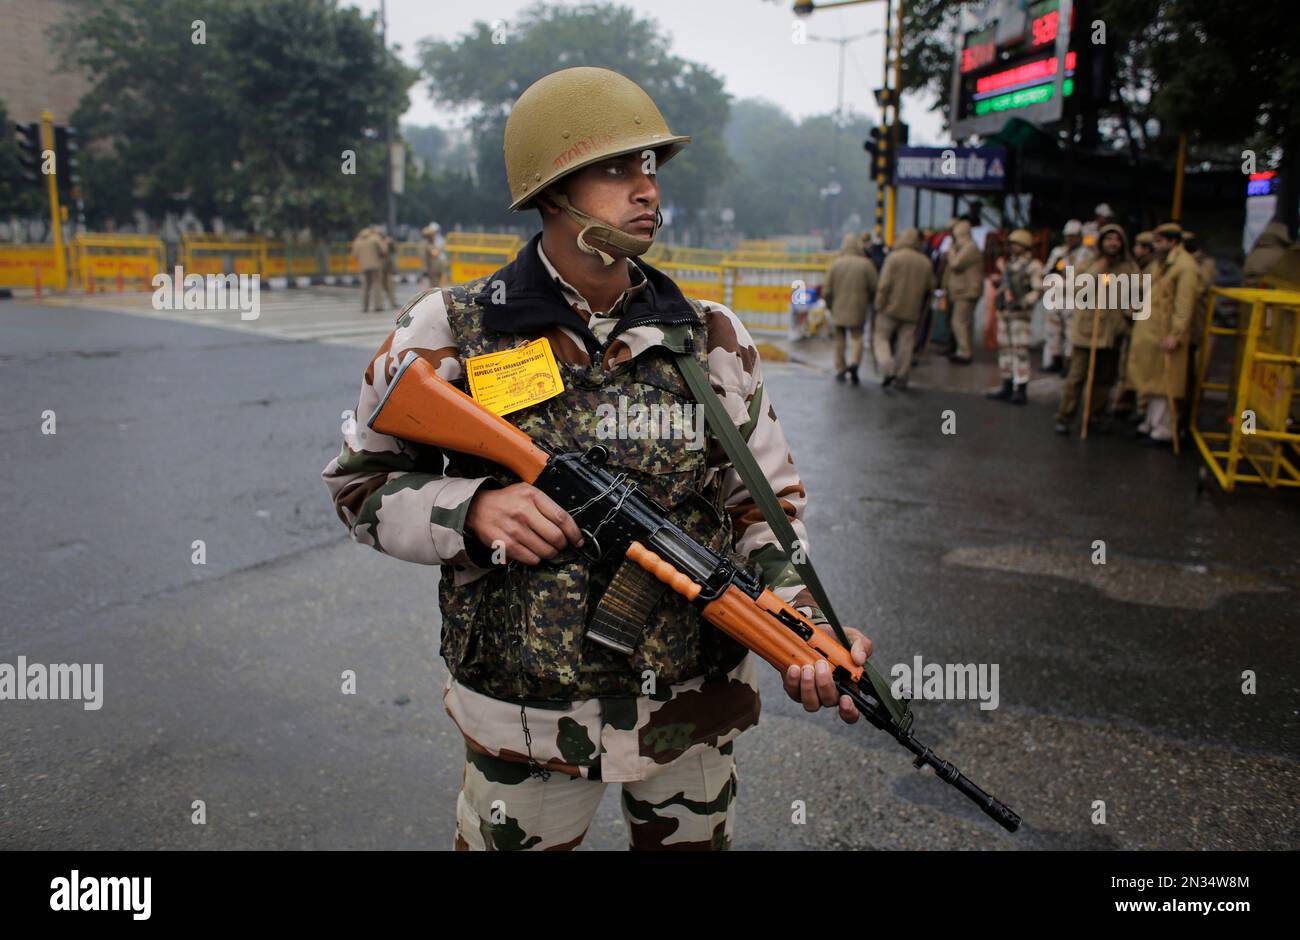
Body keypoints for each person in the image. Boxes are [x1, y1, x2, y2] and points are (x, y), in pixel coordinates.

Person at [321, 66, 872, 852]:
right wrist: (471, 511)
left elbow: (766, 512)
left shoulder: (709, 335)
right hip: (528, 721)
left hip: (691, 708)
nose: (646, 188)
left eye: (650, 166)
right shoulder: (451, 329)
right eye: (618, 167)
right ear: (552, 190)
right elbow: (358, 484)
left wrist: (806, 626)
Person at [1053, 224, 1139, 435]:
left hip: (1112, 332)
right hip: (1087, 330)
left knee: (1104, 379)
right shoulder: (1088, 263)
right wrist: (1097, 269)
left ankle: (1096, 415)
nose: (1112, 243)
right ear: (1101, 242)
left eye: (1116, 239)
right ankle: (1065, 415)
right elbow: (1076, 289)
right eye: (1108, 239)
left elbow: (1136, 297)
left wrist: (1126, 317)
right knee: (1077, 376)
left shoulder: (1129, 268)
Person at [1126, 222, 1199, 447]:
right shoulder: (1159, 264)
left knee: (1165, 384)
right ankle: (1150, 422)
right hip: (1151, 330)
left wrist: (1176, 334)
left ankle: (1163, 429)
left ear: (1172, 242)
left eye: (1159, 241)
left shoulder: (1185, 266)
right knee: (1151, 381)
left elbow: (1184, 304)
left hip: (1166, 332)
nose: (1154, 246)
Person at [873, 227, 935, 390]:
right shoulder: (925, 262)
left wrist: (879, 304)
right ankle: (901, 376)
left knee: (881, 338)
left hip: (889, 308)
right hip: (912, 310)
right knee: (906, 343)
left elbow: (884, 285)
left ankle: (887, 368)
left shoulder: (893, 258)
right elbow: (931, 286)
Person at [987, 228, 1043, 405]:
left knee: (1019, 351)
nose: (1012, 247)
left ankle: (1021, 387)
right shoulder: (1009, 264)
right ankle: (1007, 383)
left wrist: (1023, 302)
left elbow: (1038, 289)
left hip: (1020, 314)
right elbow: (1005, 286)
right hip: (1005, 313)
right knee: (1005, 349)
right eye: (1011, 244)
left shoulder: (1033, 266)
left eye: (1016, 244)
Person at [823, 232, 878, 384]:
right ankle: (854, 362)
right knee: (857, 337)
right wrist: (871, 302)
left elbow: (827, 290)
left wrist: (829, 305)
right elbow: (874, 287)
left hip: (838, 308)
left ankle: (840, 368)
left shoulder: (836, 264)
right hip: (858, 308)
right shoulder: (866, 264)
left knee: (839, 339)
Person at [1041, 220, 1094, 373]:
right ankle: (1055, 360)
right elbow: (1048, 271)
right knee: (1053, 329)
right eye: (1068, 236)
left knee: (1071, 331)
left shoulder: (1086, 254)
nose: (1070, 239)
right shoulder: (1059, 252)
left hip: (1074, 296)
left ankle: (1069, 363)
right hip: (1056, 295)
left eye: (1073, 236)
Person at [939, 218, 982, 365]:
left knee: (959, 322)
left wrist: (950, 250)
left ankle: (964, 352)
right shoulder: (966, 247)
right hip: (961, 290)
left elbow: (956, 264)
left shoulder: (970, 248)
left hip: (966, 291)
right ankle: (960, 348)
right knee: (961, 322)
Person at [351, 225, 385, 313]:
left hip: (364, 266)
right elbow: (383, 250)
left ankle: (365, 306)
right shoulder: (375, 238)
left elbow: (354, 255)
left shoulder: (358, 241)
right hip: (375, 265)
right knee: (377, 285)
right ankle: (378, 306)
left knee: (366, 286)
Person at [421, 222, 447, 287]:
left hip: (438, 266)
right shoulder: (426, 244)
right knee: (434, 286)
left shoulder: (438, 240)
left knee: (436, 285)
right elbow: (434, 253)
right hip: (432, 268)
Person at [379, 227, 400, 309]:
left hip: (388, 267)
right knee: (380, 286)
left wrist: (391, 243)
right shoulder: (377, 242)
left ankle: (393, 302)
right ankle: (380, 304)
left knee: (390, 285)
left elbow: (395, 250)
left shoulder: (387, 241)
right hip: (380, 267)